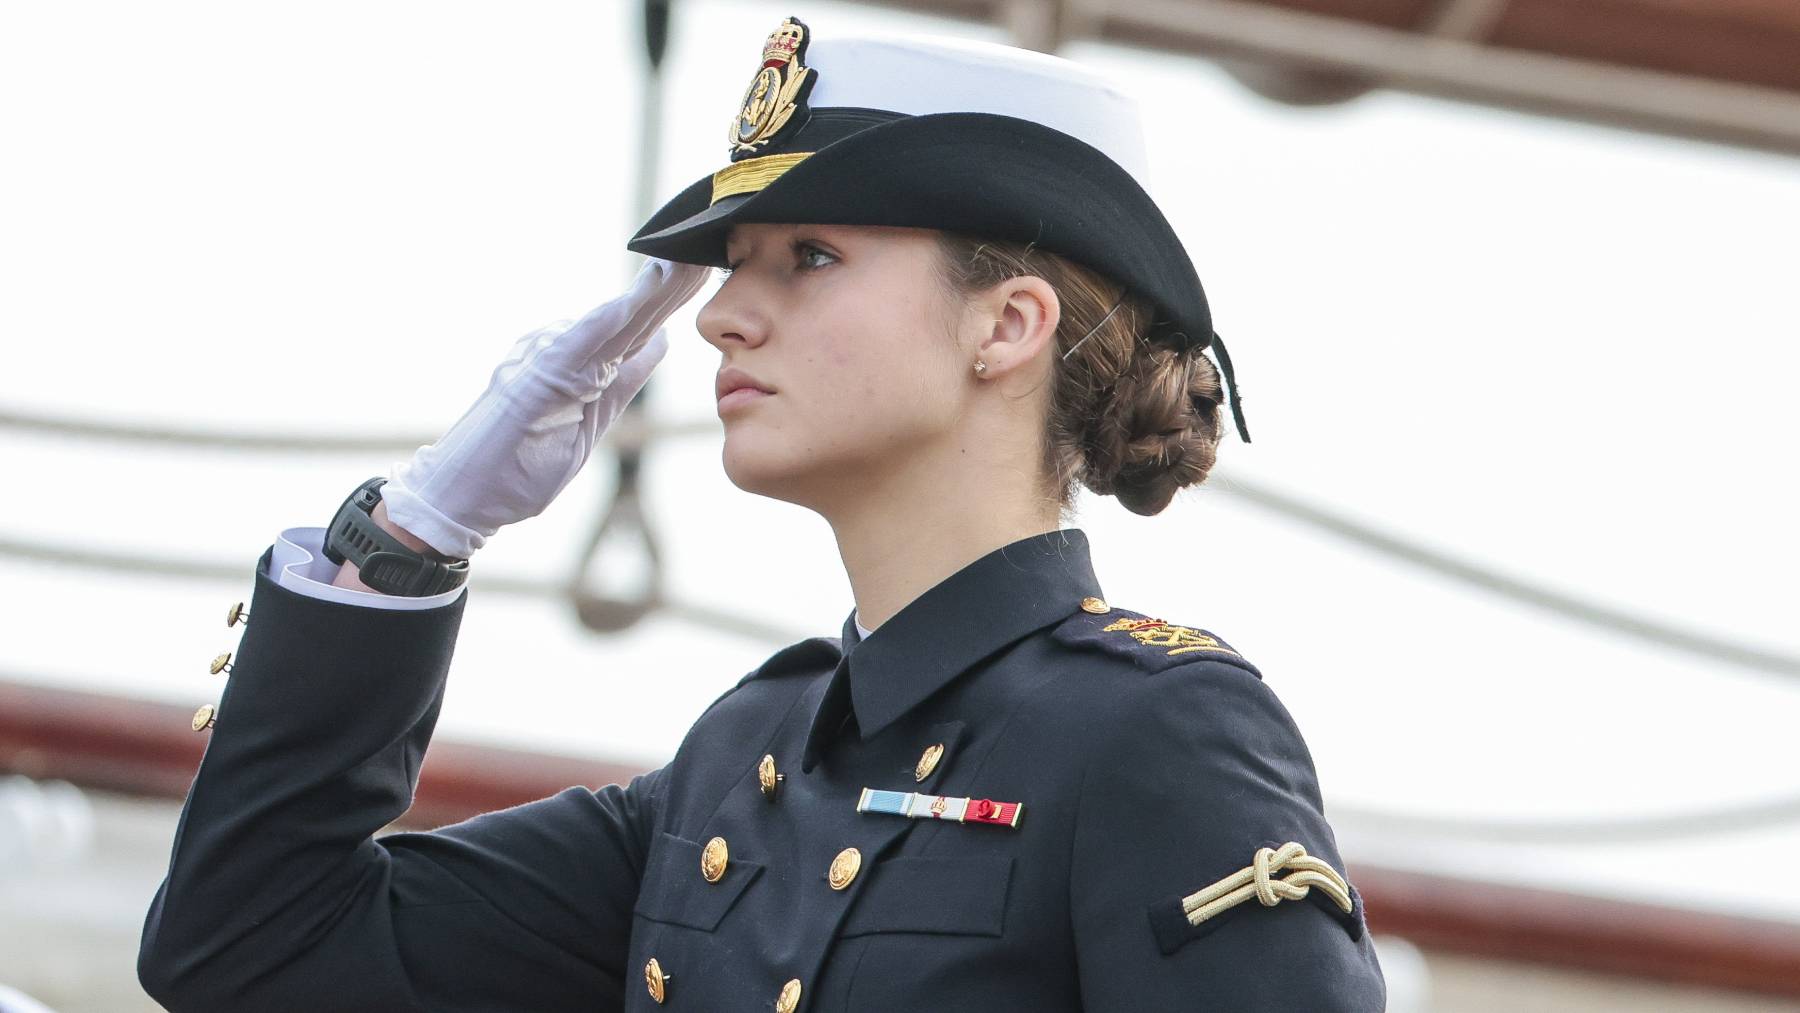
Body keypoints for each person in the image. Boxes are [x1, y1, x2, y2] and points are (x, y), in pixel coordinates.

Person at [138, 16, 1385, 1012]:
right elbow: (249, 944)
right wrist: (413, 536)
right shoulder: (746, 766)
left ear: (1006, 325)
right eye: (737, 266)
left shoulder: (1155, 733)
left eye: (812, 257)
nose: (724, 315)